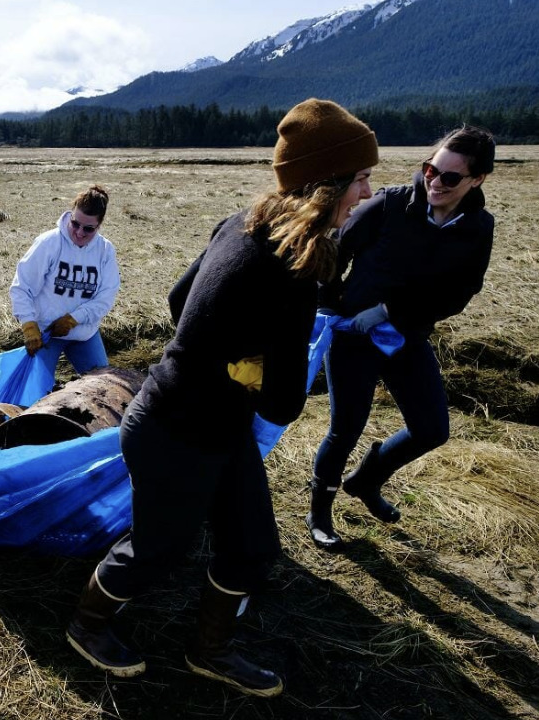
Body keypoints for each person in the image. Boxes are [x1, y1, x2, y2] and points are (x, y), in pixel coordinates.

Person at [65, 99, 378, 697]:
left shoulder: (241, 222)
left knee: (252, 545)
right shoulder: (295, 264)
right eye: (361, 178)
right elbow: (284, 404)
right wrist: (249, 368)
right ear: (327, 181)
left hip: (208, 423)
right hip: (174, 430)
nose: (368, 192)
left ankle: (209, 651)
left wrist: (229, 360)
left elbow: (180, 300)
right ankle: (86, 625)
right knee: (158, 548)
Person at [305, 126, 496, 552]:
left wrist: (391, 312)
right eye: (431, 169)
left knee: (431, 429)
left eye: (450, 177)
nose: (435, 182)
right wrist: (334, 307)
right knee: (346, 428)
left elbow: (461, 291)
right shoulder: (389, 204)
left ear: (477, 180)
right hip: (354, 336)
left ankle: (367, 480)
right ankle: (319, 512)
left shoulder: (479, 227)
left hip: (406, 335)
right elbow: (334, 251)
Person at [9, 184, 120, 377]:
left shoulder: (105, 251)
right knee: (35, 390)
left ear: (99, 225)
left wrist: (75, 319)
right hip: (47, 333)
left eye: (88, 229)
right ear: (70, 215)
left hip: (84, 334)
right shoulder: (49, 243)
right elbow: (22, 287)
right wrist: (29, 324)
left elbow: (105, 297)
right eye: (75, 223)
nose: (79, 232)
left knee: (101, 385)